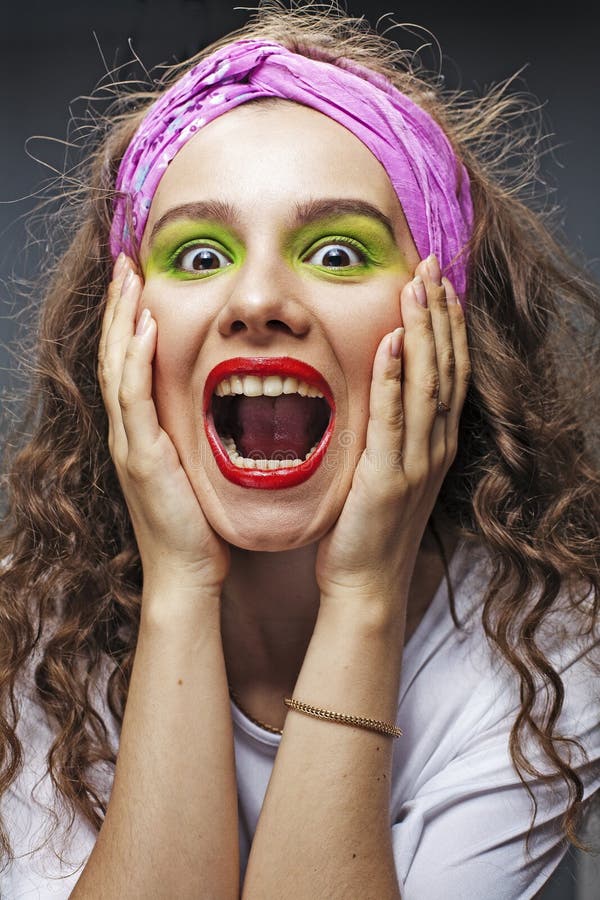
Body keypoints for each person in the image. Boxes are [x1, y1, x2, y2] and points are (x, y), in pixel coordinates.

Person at [1, 3, 598, 898]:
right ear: (122, 333)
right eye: (199, 257)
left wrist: (364, 594)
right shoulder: (25, 633)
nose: (258, 299)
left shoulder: (549, 656)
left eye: (336, 251)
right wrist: (178, 585)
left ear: (446, 324)